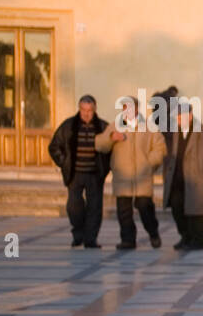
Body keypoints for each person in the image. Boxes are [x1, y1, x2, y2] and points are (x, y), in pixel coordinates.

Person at [96, 95, 166, 250]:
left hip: (143, 176)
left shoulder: (149, 127)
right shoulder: (115, 126)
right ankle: (128, 240)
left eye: (131, 108)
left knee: (144, 206)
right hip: (123, 176)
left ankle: (153, 232)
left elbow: (160, 148)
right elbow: (100, 144)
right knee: (124, 211)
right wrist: (111, 137)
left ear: (136, 109)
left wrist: (149, 163)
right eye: (125, 108)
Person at [48, 95, 111, 248]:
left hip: (95, 174)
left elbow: (111, 150)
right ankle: (79, 233)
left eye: (89, 110)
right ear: (79, 109)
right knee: (73, 206)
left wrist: (105, 169)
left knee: (94, 208)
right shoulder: (69, 126)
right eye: (83, 110)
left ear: (95, 109)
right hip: (75, 173)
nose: (86, 113)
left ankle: (90, 239)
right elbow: (54, 146)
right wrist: (64, 162)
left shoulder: (103, 127)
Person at [162, 102, 203, 251]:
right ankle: (185, 237)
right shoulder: (175, 132)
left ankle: (199, 240)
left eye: (182, 116)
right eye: (178, 117)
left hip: (196, 180)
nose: (179, 119)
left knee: (196, 212)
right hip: (177, 179)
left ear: (190, 115)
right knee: (177, 208)